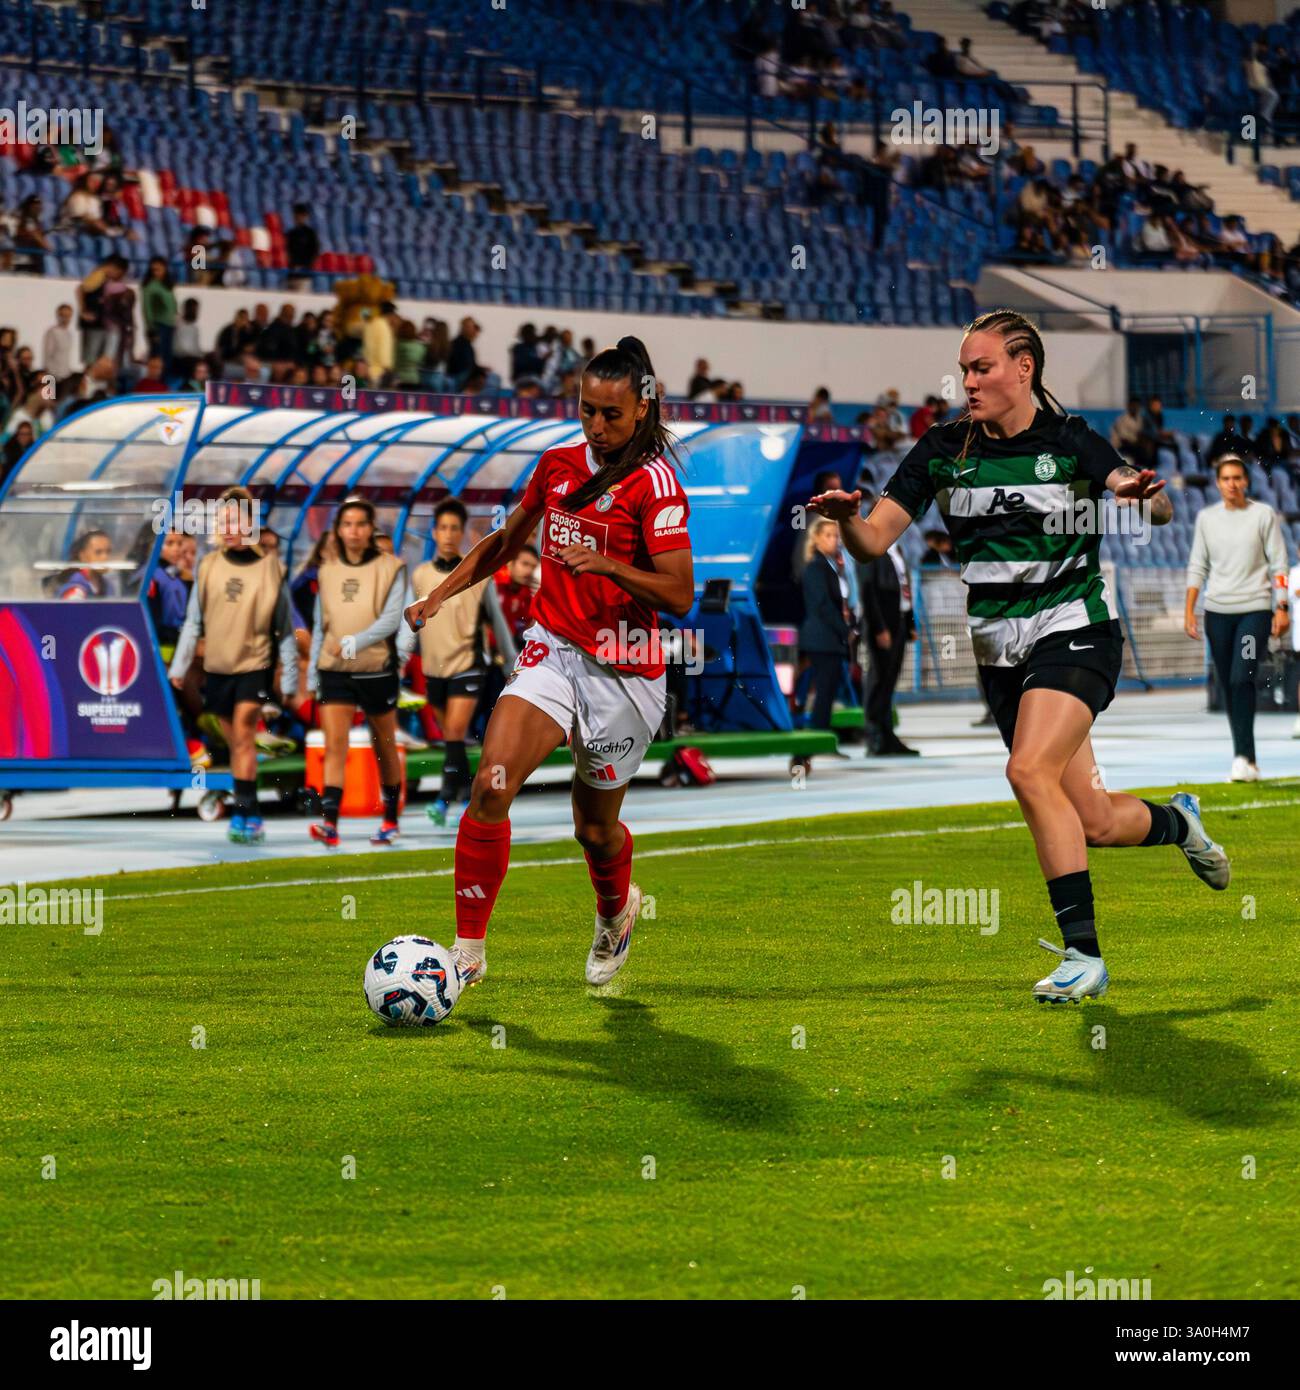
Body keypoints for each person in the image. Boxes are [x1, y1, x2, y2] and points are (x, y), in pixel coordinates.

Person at [810, 308, 1230, 1006]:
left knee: (1026, 768)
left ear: (1023, 368)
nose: (967, 381)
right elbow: (875, 541)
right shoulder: (942, 448)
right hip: (1000, 652)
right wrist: (848, 517)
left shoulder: (1069, 441)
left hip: (1076, 631)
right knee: (1091, 819)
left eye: (982, 368)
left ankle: (1083, 956)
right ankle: (1180, 821)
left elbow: (1144, 501)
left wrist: (1138, 496)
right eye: (965, 369)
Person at [403, 336, 693, 988]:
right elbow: (508, 541)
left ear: (642, 410)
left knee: (594, 830)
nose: (595, 424)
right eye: (587, 409)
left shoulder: (656, 486)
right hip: (554, 648)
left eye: (610, 414)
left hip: (627, 671)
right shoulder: (558, 463)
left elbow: (679, 593)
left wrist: (611, 564)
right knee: (491, 783)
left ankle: (616, 912)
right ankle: (468, 952)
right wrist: (439, 595)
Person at [169, 488, 298, 843]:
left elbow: (285, 628)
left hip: (254, 664)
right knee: (235, 742)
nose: (229, 527)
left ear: (251, 523)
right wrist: (179, 667)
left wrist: (288, 677)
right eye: (223, 520)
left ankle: (247, 812)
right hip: (218, 667)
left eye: (236, 519)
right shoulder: (208, 566)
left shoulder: (271, 568)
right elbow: (193, 622)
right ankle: (246, 808)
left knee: (243, 730)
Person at [307, 496, 409, 847]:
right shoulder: (327, 571)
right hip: (334, 670)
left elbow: (392, 619)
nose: (353, 531)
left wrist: (355, 642)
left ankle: (391, 818)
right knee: (336, 744)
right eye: (346, 524)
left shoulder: (391, 567)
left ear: (370, 529)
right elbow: (321, 625)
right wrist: (311, 672)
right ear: (337, 530)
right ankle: (330, 822)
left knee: (384, 744)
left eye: (360, 524)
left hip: (376, 669)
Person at [1184, 454, 1290, 782]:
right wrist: (1190, 609)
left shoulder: (1263, 515)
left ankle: (1244, 756)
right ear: (1217, 484)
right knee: (1230, 687)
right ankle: (1246, 758)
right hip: (1217, 612)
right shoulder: (1206, 519)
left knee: (1240, 678)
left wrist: (1282, 606)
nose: (1232, 484)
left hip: (1254, 610)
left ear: (1246, 481)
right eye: (1226, 478)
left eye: (1237, 478)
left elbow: (1279, 564)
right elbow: (1198, 564)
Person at [411, 498, 512, 827]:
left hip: (468, 665)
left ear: (463, 533)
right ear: (434, 533)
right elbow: (411, 622)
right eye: (443, 528)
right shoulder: (420, 576)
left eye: (455, 528)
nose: (449, 534)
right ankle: (471, 796)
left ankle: (442, 799)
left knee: (454, 732)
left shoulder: (480, 578)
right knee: (451, 739)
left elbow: (498, 625)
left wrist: (514, 667)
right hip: (433, 669)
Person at [857, 518, 917, 755]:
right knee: (878, 679)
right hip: (882, 624)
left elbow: (905, 587)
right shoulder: (870, 550)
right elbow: (867, 591)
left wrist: (911, 621)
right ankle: (874, 736)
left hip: (899, 619)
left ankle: (888, 734)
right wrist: (879, 628)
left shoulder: (897, 550)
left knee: (890, 679)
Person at [798, 517, 853, 732]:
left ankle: (822, 733)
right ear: (817, 539)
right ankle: (819, 735)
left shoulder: (826, 566)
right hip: (822, 638)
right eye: (828, 536)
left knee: (828, 691)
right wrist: (844, 630)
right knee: (824, 691)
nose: (834, 540)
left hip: (827, 638)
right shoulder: (816, 567)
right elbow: (823, 605)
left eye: (836, 536)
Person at [141, 257, 177, 375]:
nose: (157, 272)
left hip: (169, 326)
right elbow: (147, 310)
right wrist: (152, 330)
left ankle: (165, 384)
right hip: (158, 326)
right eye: (154, 270)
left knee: (167, 358)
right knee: (157, 358)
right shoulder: (150, 287)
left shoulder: (166, 285)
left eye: (159, 269)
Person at [55, 528, 114, 599]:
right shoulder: (75, 589)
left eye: (108, 551)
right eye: (98, 552)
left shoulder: (106, 585)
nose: (105, 557)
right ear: (83, 556)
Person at [42, 304, 75, 382]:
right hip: (54, 376)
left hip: (66, 375)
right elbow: (47, 356)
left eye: (68, 315)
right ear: (58, 316)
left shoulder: (68, 334)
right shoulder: (52, 332)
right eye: (63, 315)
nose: (65, 318)